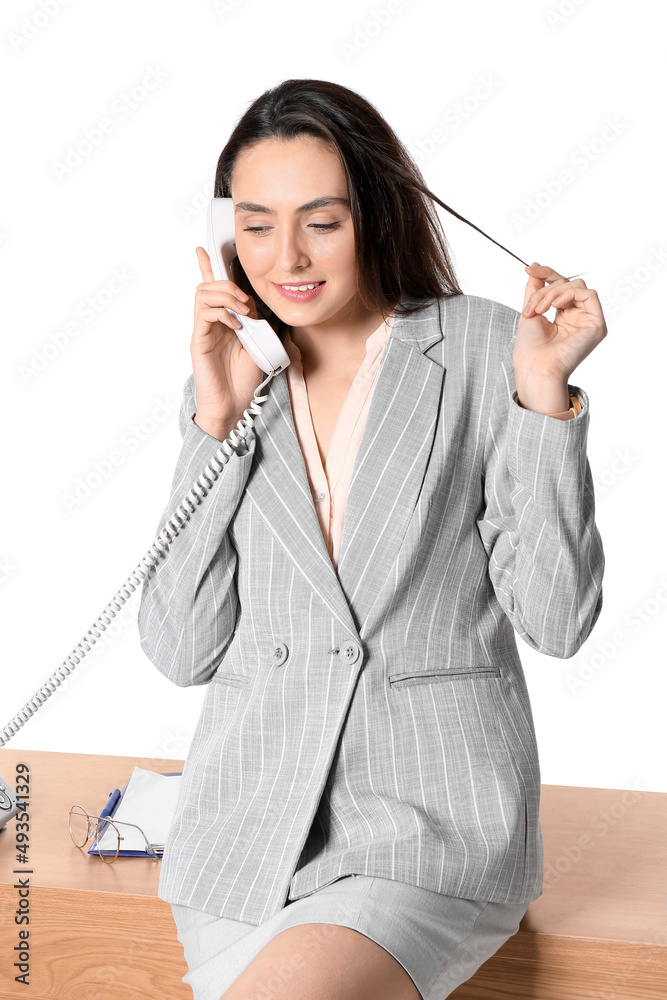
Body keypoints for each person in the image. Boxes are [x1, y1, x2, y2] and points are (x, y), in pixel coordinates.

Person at [137, 78, 606, 1000]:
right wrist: (212, 419)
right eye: (257, 223)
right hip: (252, 830)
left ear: (376, 215)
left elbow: (555, 619)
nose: (286, 257)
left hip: (428, 820)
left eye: (321, 221)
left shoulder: (482, 348)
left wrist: (544, 398)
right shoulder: (235, 374)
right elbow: (180, 647)